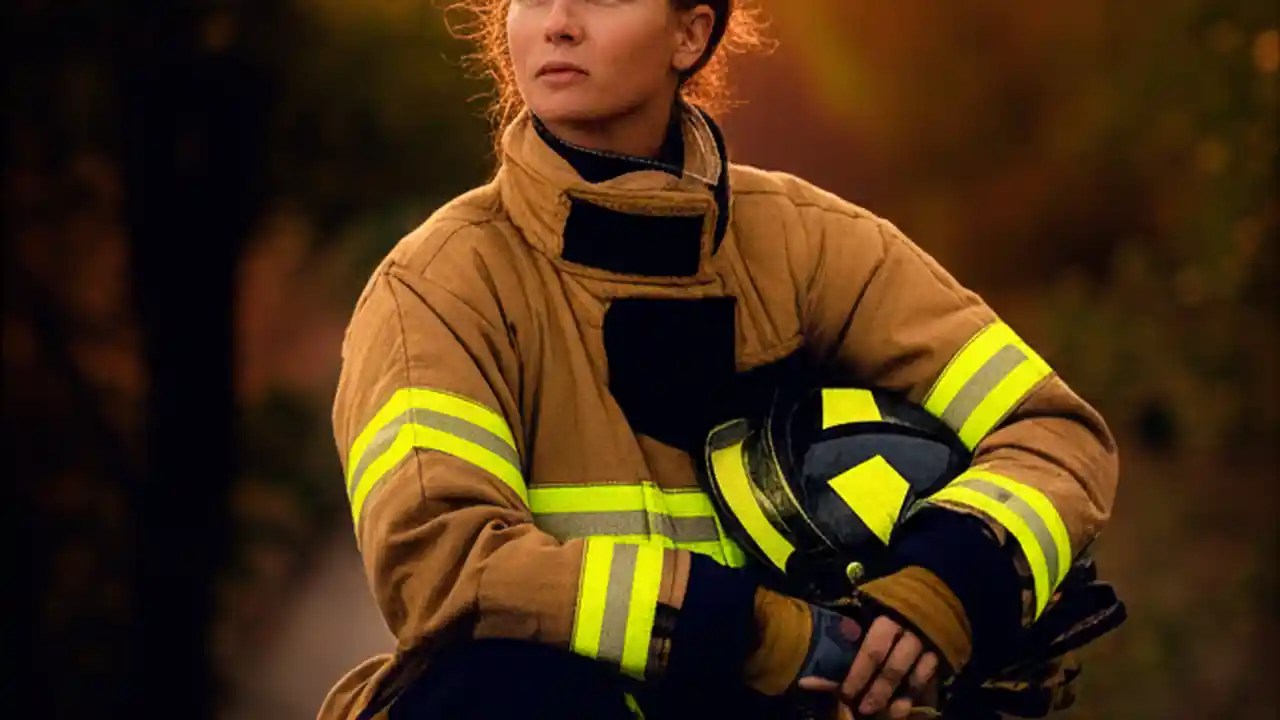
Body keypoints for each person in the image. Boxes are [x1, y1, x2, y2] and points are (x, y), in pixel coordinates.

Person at [321, 1, 1119, 719]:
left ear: (691, 32)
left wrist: (939, 592)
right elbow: (444, 563)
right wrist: (757, 635)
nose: (557, 21)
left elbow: (1053, 431)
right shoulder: (437, 285)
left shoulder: (812, 244)